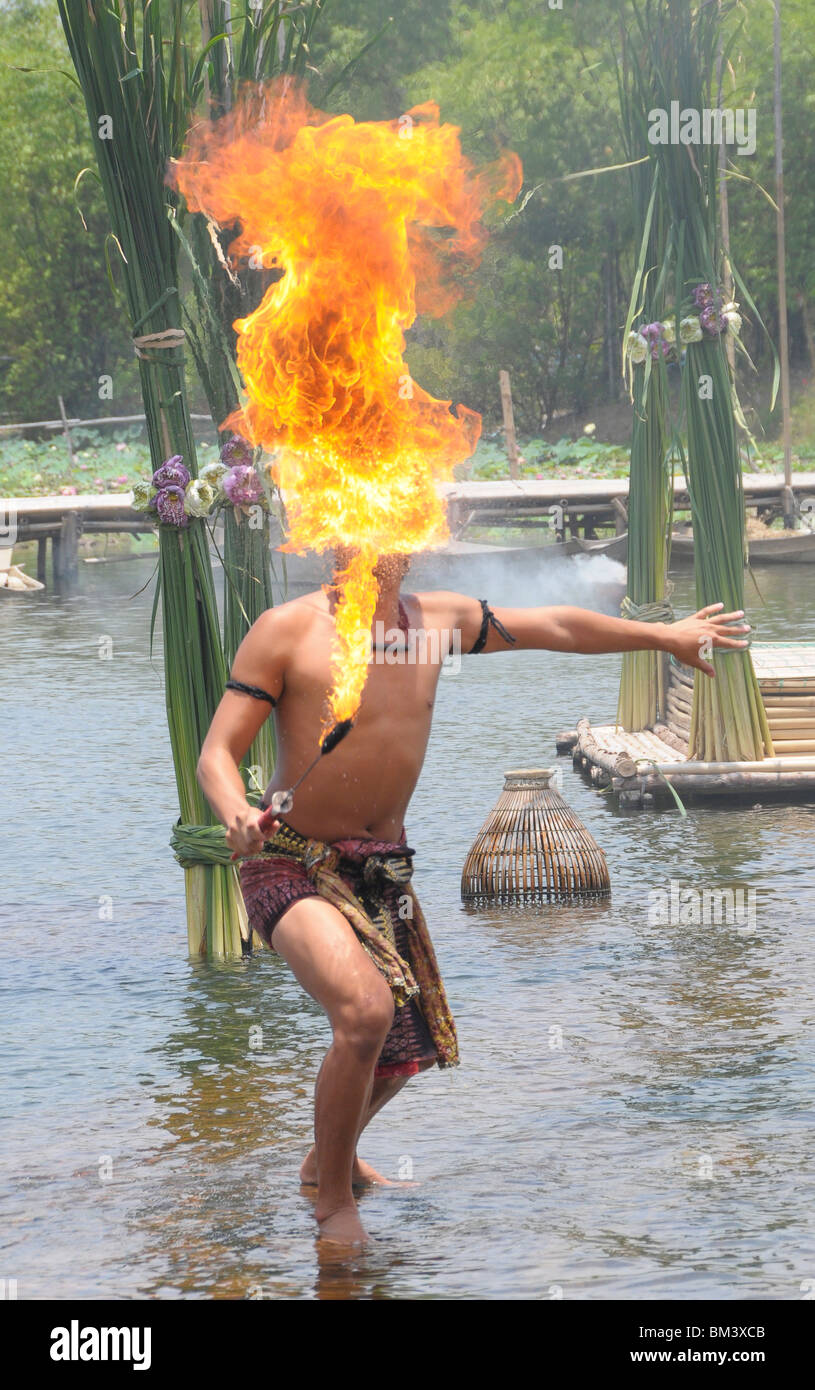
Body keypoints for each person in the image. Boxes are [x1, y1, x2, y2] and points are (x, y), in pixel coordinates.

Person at [196, 549, 750, 1245]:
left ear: (408, 548)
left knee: (408, 1038)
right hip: (292, 863)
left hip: (380, 872)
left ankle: (324, 1161)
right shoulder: (285, 630)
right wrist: (235, 813)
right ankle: (334, 1206)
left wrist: (661, 635)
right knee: (365, 1012)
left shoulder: (434, 623)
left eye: (386, 535)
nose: (366, 549)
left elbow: (556, 626)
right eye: (350, 536)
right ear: (330, 538)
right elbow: (215, 753)